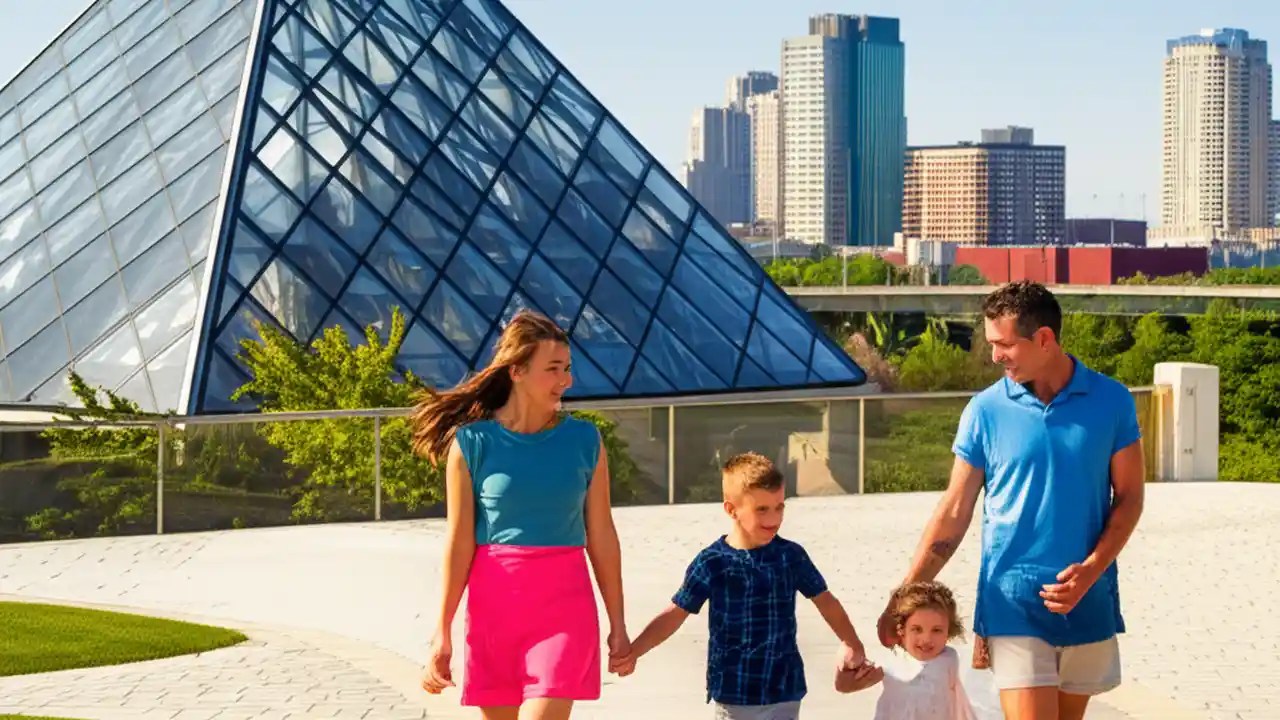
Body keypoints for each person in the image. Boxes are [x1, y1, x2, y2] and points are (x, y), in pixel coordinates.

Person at [876, 281, 1145, 720]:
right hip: (1011, 602)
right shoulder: (984, 411)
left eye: (1004, 345)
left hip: (1087, 597)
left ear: (1043, 339)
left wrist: (1091, 571)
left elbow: (1130, 497)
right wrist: (902, 595)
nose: (995, 356)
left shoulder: (1111, 400)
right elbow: (954, 511)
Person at [414, 310, 629, 720]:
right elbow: (459, 542)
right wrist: (442, 631)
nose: (565, 380)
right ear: (517, 371)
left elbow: (601, 534)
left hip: (564, 605)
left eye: (567, 368)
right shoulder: (472, 444)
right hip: (495, 608)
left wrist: (617, 623)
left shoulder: (585, 440)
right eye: (553, 369)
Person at [612, 451, 881, 719]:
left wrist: (851, 641)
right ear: (732, 510)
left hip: (784, 690)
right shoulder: (712, 562)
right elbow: (674, 614)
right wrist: (635, 650)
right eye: (761, 509)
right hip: (734, 694)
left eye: (779, 507)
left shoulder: (790, 556)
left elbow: (826, 601)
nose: (773, 517)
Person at [858, 581, 976, 720]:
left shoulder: (951, 660)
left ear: (948, 631)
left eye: (937, 630)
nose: (926, 639)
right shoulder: (890, 661)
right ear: (902, 629)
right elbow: (851, 682)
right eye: (917, 629)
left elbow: (966, 702)